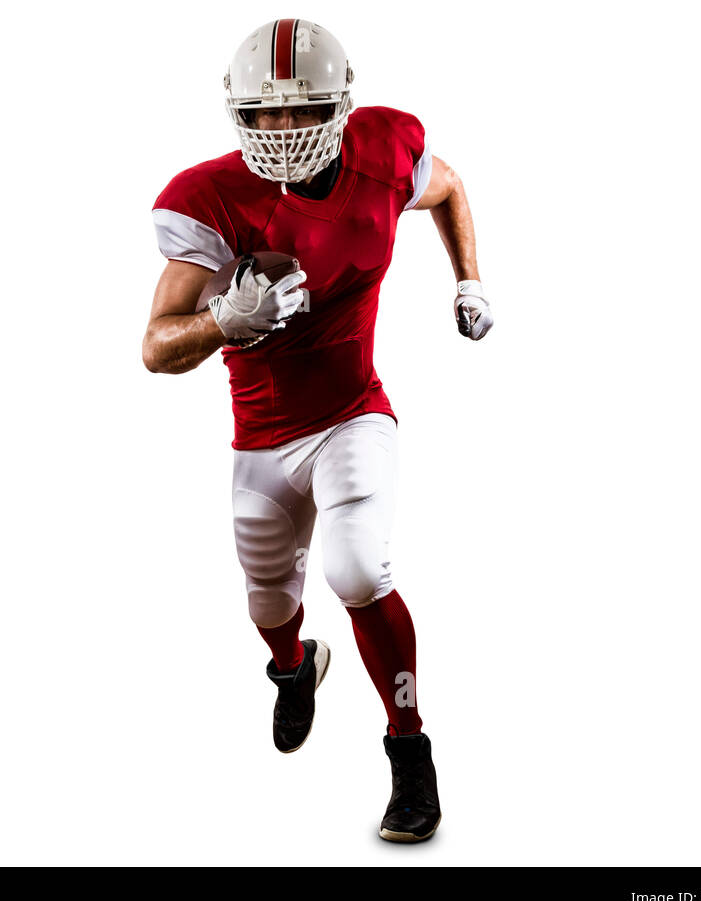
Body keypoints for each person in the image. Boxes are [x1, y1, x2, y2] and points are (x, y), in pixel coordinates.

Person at [143, 18, 494, 843]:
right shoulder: (214, 197)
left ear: (340, 107)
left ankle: (410, 754)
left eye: (299, 112)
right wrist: (226, 320)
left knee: (356, 567)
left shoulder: (384, 150)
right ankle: (293, 669)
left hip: (351, 412)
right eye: (263, 116)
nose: (280, 131)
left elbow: (445, 188)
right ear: (239, 115)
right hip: (261, 436)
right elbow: (156, 347)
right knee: (268, 598)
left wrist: (470, 281)